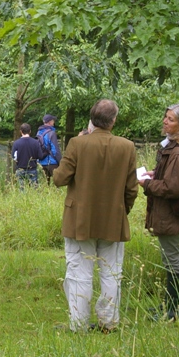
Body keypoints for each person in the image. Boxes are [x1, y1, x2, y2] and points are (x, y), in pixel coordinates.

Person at [53, 99, 138, 333]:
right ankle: (109, 322)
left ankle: (79, 324)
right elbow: (131, 189)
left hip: (79, 219)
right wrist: (121, 211)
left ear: (91, 119)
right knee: (112, 273)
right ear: (113, 121)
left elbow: (59, 178)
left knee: (79, 273)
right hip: (113, 218)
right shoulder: (127, 146)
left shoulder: (77, 144)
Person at [139, 104, 179, 322]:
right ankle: (169, 305)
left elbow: (172, 188)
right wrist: (156, 173)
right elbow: (173, 177)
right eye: (166, 117)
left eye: (171, 119)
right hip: (169, 213)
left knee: (173, 261)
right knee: (170, 260)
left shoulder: (177, 153)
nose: (165, 121)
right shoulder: (173, 148)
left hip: (171, 213)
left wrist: (146, 184)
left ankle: (173, 311)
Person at [12, 123, 43, 189]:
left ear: (21, 131)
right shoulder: (35, 142)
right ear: (30, 131)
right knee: (34, 189)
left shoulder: (16, 143)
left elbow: (14, 157)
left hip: (20, 168)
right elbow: (40, 156)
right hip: (32, 168)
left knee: (21, 189)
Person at [37, 114, 61, 184]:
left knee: (45, 184)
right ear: (50, 122)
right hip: (52, 162)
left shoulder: (39, 133)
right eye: (53, 120)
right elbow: (55, 150)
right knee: (57, 183)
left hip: (41, 162)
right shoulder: (51, 133)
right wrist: (60, 161)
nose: (54, 122)